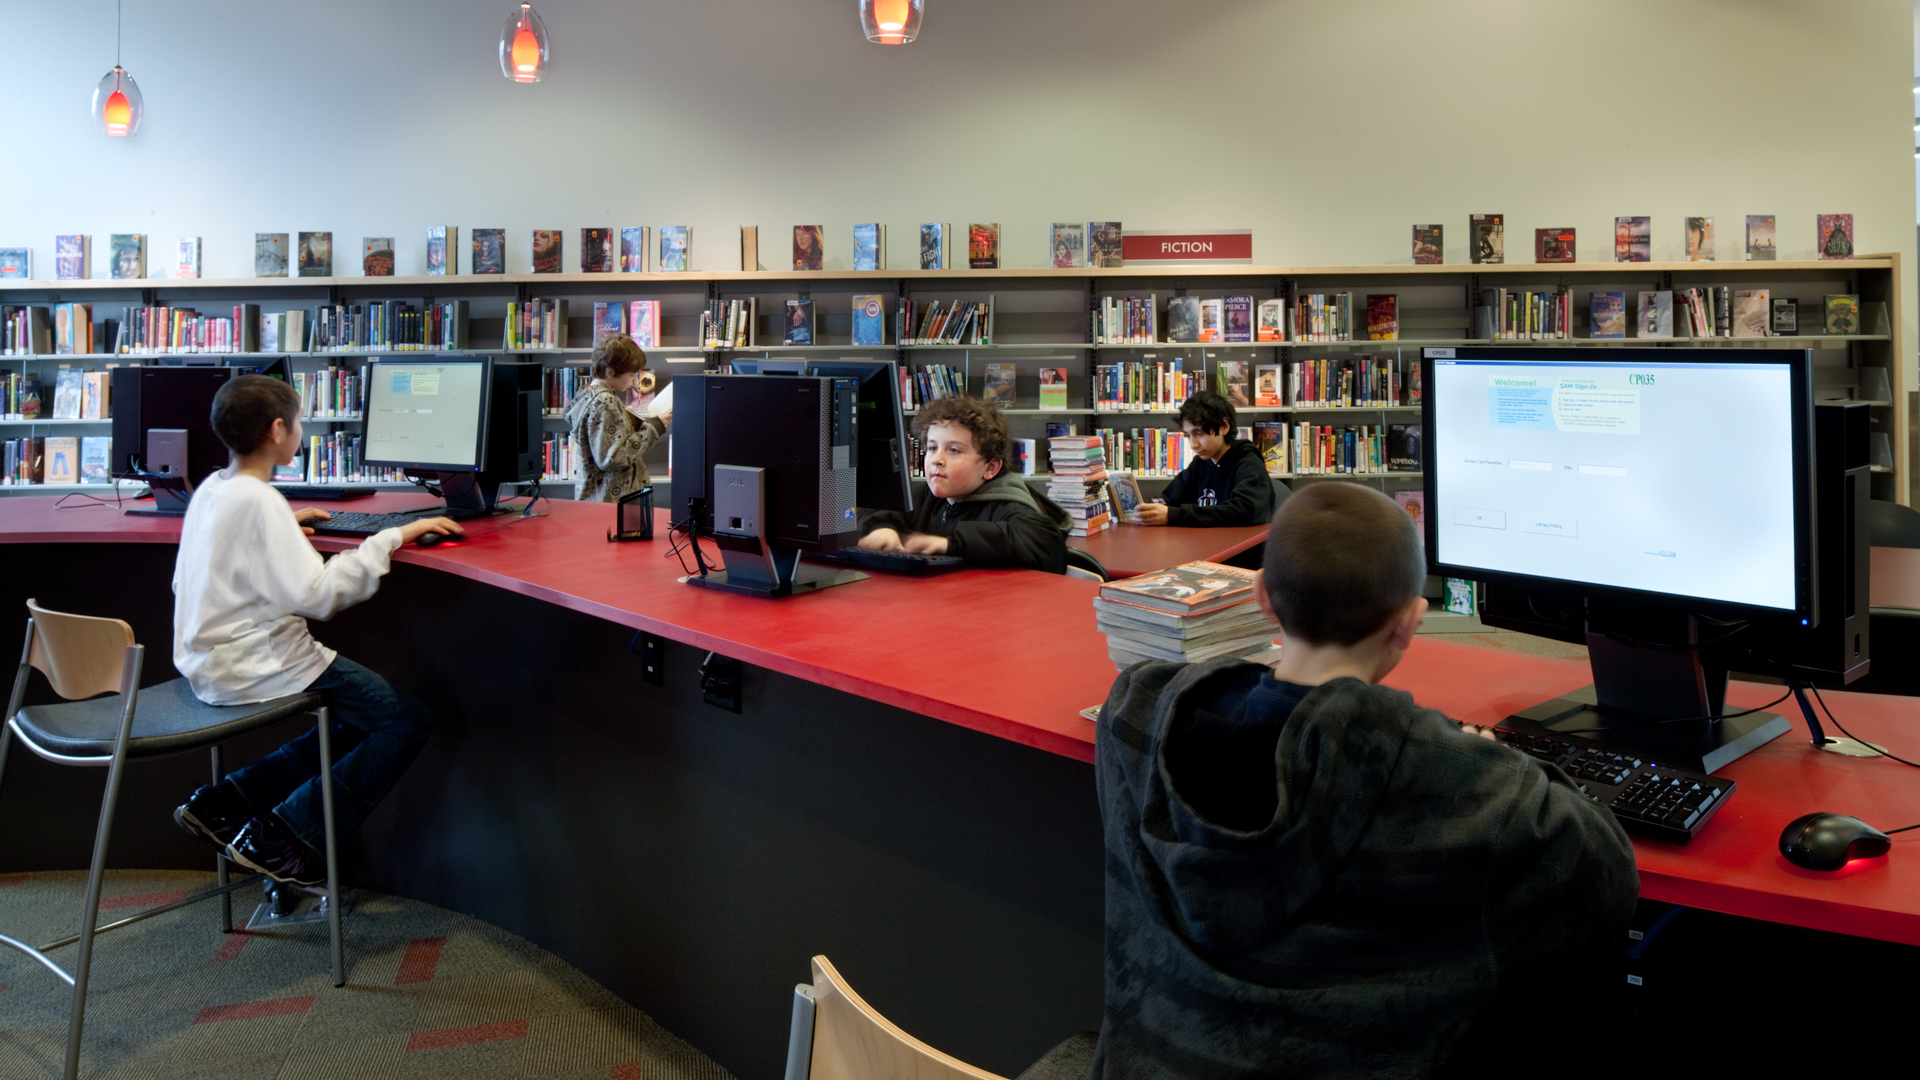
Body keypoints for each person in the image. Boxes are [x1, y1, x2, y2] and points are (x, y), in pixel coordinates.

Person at [1093, 482, 1638, 1078]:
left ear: (1261, 597)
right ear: (1409, 622)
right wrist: (1507, 763)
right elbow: (1606, 881)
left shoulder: (1136, 712)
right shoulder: (1476, 789)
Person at [170, 375, 462, 885]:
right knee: (404, 720)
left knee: (361, 716)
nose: (301, 430)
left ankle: (226, 801)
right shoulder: (260, 504)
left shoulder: (215, 489)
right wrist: (393, 536)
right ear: (278, 429)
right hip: (254, 664)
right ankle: (285, 835)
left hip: (206, 660)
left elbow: (194, 572)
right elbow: (319, 597)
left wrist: (282, 526)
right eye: (299, 422)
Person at [857, 395, 1071, 573]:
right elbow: (884, 507)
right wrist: (882, 529)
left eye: (954, 450)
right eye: (932, 448)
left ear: (990, 468)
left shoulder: (1008, 505)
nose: (936, 459)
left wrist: (950, 544)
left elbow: (1045, 542)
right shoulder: (925, 496)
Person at [1132, 391, 1275, 527]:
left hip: (1240, 548)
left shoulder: (1249, 462)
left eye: (1199, 433)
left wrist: (1173, 515)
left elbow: (1244, 511)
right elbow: (1171, 499)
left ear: (1224, 427)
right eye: (1188, 436)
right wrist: (1147, 511)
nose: (1193, 445)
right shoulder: (1201, 462)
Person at [566, 332, 669, 503]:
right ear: (610, 373)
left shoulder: (588, 395)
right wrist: (653, 429)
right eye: (631, 375)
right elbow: (612, 458)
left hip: (600, 498)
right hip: (614, 504)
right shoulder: (605, 402)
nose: (634, 380)